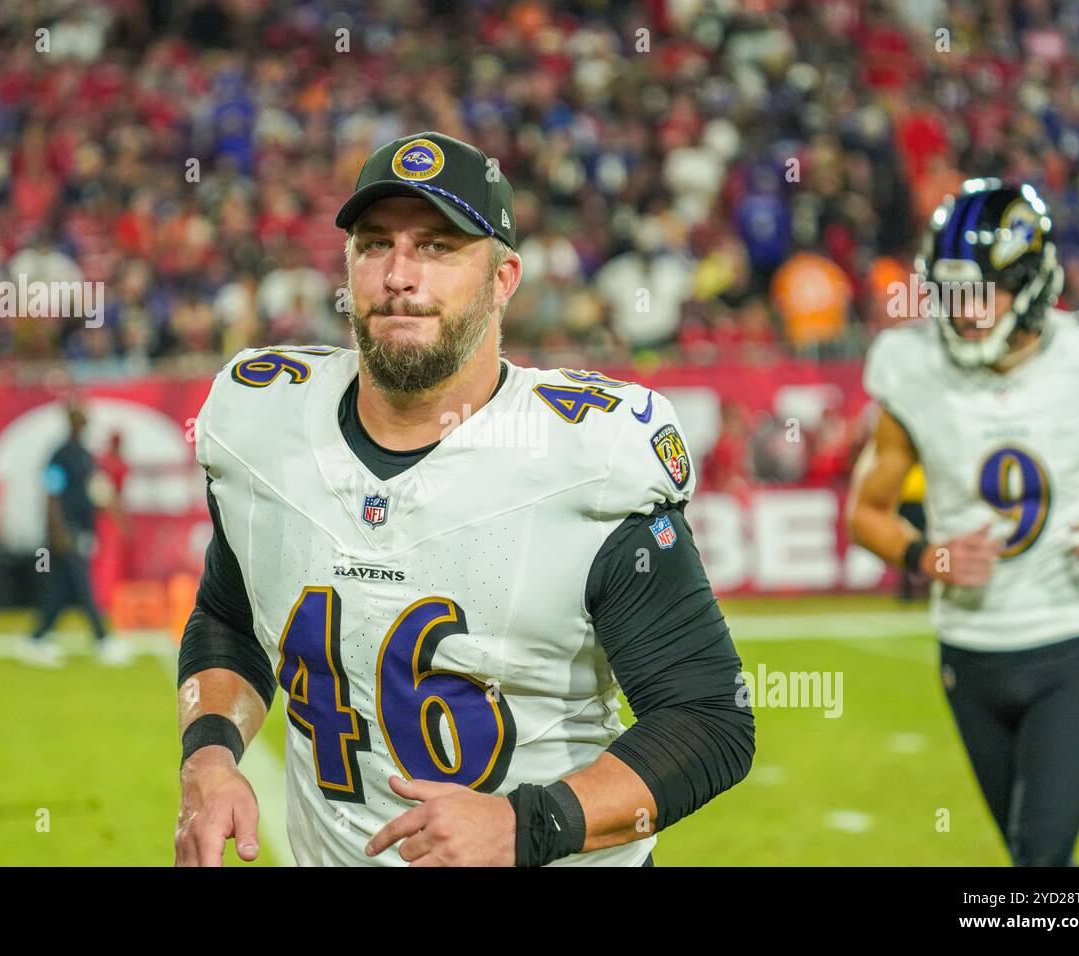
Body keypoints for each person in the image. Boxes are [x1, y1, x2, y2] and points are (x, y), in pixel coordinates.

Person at [174, 132, 754, 867]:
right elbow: (228, 617)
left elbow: (707, 719)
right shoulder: (264, 423)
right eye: (375, 244)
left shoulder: (586, 455)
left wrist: (527, 825)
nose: (399, 274)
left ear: (504, 278)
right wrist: (211, 754)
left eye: (439, 247)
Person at [848, 179, 1079, 866]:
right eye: (953, 294)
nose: (969, 312)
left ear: (1032, 281)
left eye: (985, 291)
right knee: (1028, 858)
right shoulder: (911, 365)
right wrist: (930, 558)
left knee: (1039, 860)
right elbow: (866, 512)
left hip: (1073, 643)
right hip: (969, 648)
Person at [19, 400, 132, 667]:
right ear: (71, 422)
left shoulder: (84, 454)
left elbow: (96, 491)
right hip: (64, 531)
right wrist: (58, 530)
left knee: (60, 588)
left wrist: (116, 517)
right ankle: (103, 639)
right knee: (82, 586)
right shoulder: (60, 455)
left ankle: (35, 639)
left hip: (81, 528)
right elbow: (51, 492)